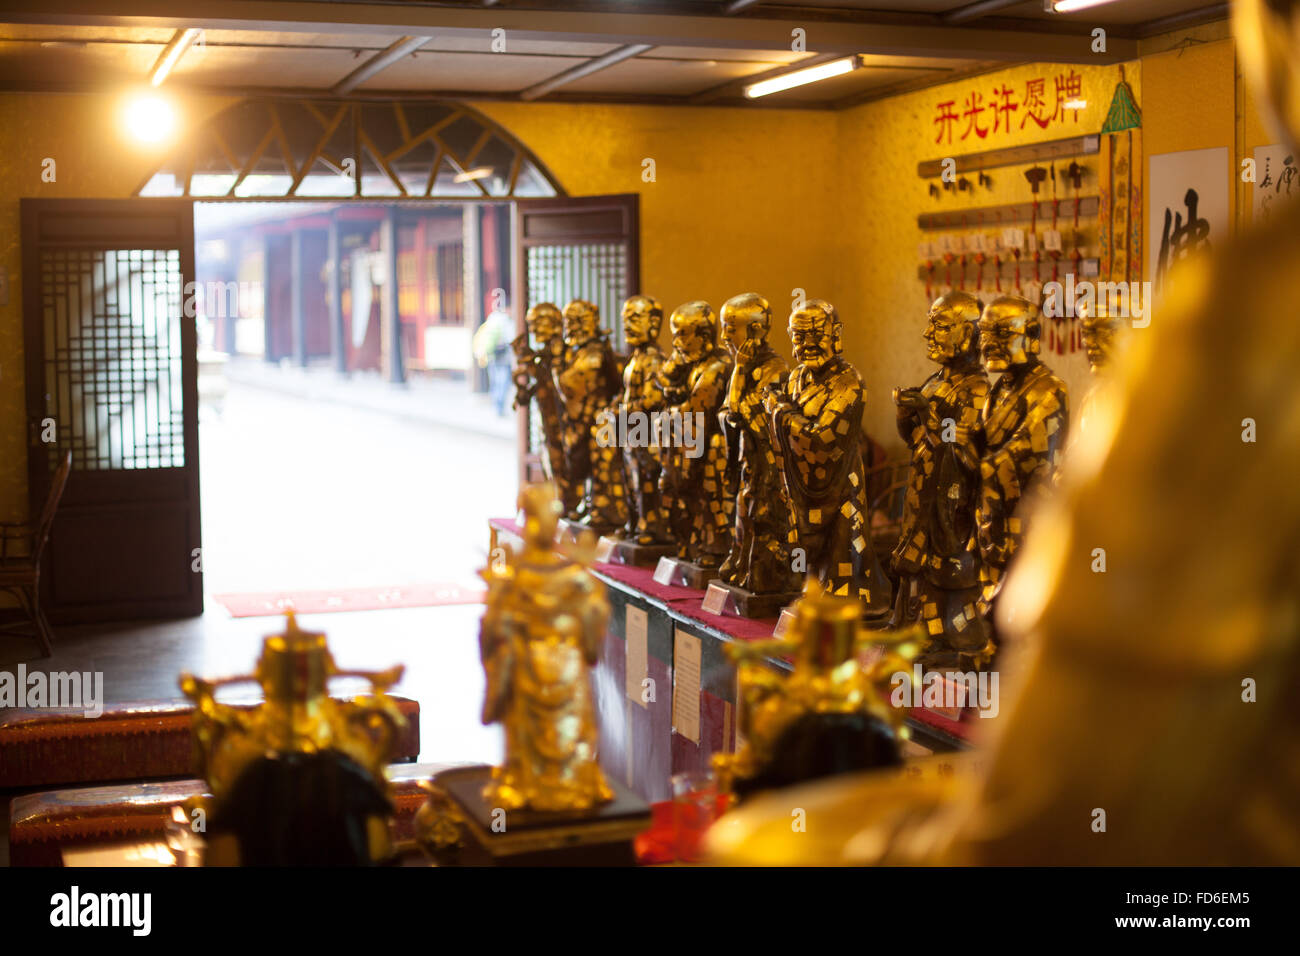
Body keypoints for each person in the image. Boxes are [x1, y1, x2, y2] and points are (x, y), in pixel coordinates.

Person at [473, 307, 514, 416]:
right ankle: (499, 407)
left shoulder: (491, 320)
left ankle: (496, 405)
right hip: (504, 357)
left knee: (495, 381)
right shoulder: (506, 322)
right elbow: (511, 339)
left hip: (491, 355)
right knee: (503, 382)